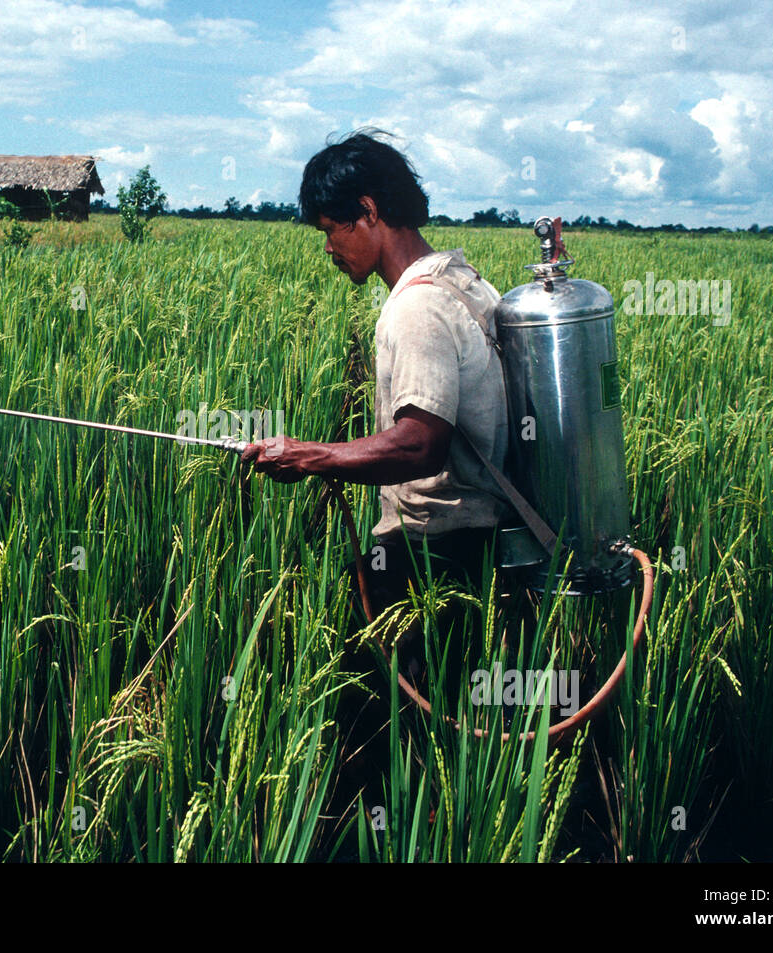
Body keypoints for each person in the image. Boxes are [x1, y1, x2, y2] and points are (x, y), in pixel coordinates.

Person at [241, 131, 515, 813]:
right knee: (455, 733)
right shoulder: (466, 280)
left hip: (435, 556)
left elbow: (420, 442)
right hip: (484, 549)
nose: (328, 248)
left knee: (389, 740)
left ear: (369, 210)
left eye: (333, 229)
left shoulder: (417, 305)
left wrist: (310, 456)